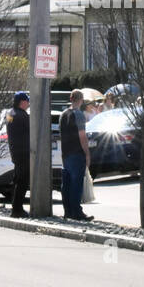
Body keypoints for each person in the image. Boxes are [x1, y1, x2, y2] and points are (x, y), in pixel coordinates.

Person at [58, 89, 93, 222]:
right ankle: (77, 212)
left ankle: (68, 211)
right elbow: (82, 136)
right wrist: (87, 153)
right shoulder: (78, 114)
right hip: (76, 152)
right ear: (81, 100)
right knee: (76, 183)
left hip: (65, 153)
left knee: (66, 184)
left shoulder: (63, 114)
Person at [6, 92, 30, 218]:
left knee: (17, 180)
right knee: (22, 181)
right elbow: (31, 130)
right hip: (23, 152)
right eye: (27, 101)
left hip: (15, 152)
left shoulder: (10, 114)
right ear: (22, 102)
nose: (29, 103)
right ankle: (17, 209)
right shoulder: (22, 115)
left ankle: (15, 207)